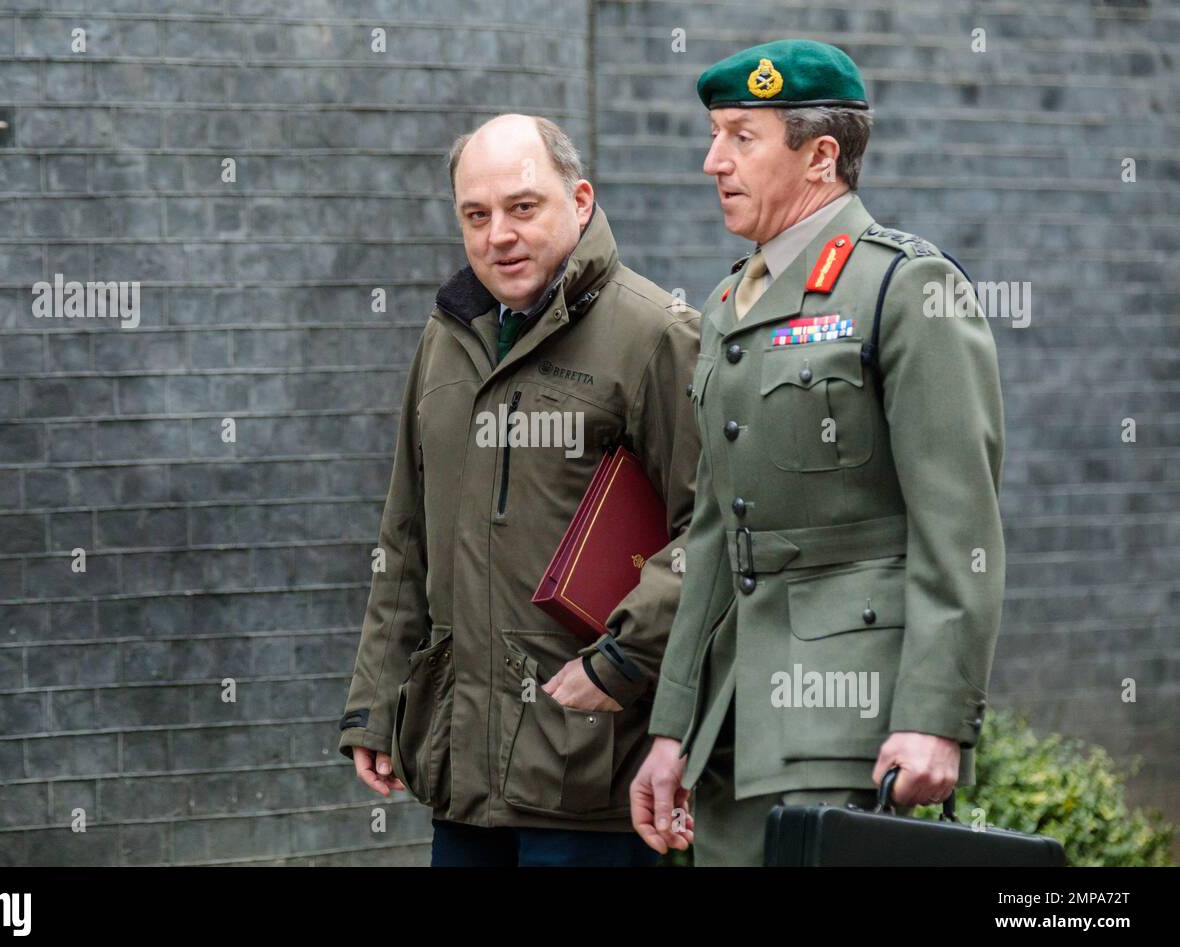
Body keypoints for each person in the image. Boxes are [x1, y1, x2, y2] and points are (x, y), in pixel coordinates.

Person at [630, 40, 1006, 866]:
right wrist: (672, 730)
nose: (711, 160)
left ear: (821, 156)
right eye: (715, 135)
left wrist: (934, 716)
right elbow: (714, 542)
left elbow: (959, 526)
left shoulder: (907, 288)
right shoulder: (732, 299)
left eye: (740, 136)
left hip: (854, 725)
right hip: (733, 731)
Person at [338, 113, 702, 866]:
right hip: (459, 763)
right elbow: (405, 534)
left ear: (580, 200)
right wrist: (376, 702)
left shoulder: (655, 335)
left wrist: (621, 662)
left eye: (522, 207)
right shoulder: (449, 336)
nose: (497, 233)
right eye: (476, 215)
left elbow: (715, 529)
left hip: (590, 772)